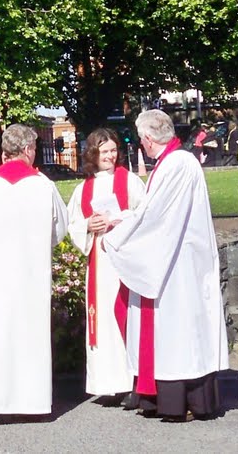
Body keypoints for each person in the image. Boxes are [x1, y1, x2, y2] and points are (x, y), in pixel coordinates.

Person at [104, 109, 227, 422]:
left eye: (140, 138)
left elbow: (155, 218)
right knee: (173, 331)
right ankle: (166, 399)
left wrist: (115, 238)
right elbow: (150, 211)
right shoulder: (171, 162)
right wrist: (121, 219)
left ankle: (184, 401)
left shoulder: (177, 164)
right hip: (173, 257)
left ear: (147, 138)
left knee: (179, 331)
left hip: (178, 264)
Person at [0, 123, 70, 424]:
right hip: (33, 273)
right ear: (27, 149)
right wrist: (38, 244)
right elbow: (60, 228)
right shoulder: (43, 185)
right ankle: (34, 403)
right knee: (31, 334)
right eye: (34, 147)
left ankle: (1, 403)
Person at [66, 126, 145, 404]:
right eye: (104, 151)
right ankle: (109, 384)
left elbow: (144, 214)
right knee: (103, 320)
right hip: (99, 264)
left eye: (113, 150)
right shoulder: (83, 188)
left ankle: (133, 381)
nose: (110, 156)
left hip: (125, 259)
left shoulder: (130, 181)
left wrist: (119, 219)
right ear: (92, 153)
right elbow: (72, 224)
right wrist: (89, 225)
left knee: (125, 315)